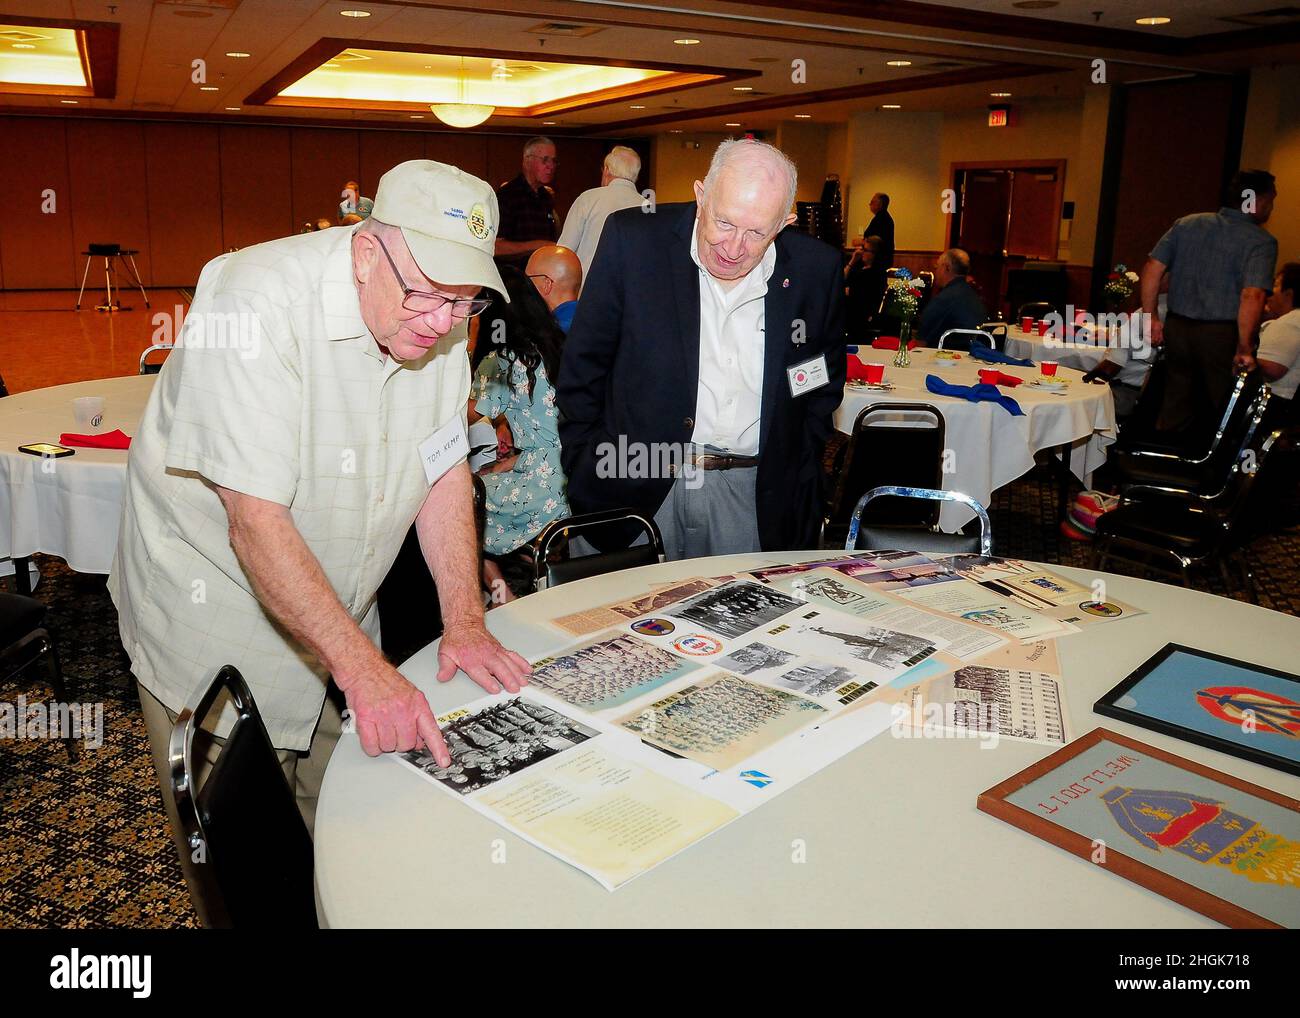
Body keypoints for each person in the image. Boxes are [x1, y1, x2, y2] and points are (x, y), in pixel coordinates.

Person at [109, 160, 532, 897]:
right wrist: (365, 672)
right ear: (366, 252)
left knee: (346, 832)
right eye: (429, 294)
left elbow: (442, 474)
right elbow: (255, 523)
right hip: (216, 615)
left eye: (464, 301)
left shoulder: (435, 315)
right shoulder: (252, 301)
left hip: (337, 602)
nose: (443, 321)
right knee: (244, 870)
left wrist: (463, 618)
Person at [557, 137, 845, 560]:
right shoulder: (633, 241)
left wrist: (798, 470)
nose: (733, 248)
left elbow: (821, 387)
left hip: (752, 497)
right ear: (700, 195)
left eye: (756, 233)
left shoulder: (815, 270)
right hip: (632, 482)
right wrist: (584, 462)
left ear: (784, 223)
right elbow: (583, 366)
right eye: (724, 223)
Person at [1140, 168, 1279, 448]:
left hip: (1178, 328)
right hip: (1221, 334)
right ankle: (1216, 473)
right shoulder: (1260, 241)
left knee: (1175, 403)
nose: (1271, 208)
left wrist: (1150, 318)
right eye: (1271, 200)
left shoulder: (1187, 224)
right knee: (1226, 408)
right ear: (1258, 200)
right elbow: (1251, 295)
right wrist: (1244, 347)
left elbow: (1153, 269)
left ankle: (1164, 466)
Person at [469, 267, 571, 599]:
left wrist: (470, 343)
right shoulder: (561, 349)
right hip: (571, 473)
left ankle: (501, 594)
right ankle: (525, 571)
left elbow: (468, 415)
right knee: (487, 476)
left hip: (539, 487)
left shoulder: (501, 360)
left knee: (458, 505)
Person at [557, 145, 643, 284]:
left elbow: (565, 250)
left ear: (607, 170)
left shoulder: (588, 199)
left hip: (587, 287)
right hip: (630, 288)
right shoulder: (648, 206)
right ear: (636, 175)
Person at [494, 136, 558, 271]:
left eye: (553, 161)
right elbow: (496, 246)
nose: (550, 166)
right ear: (527, 161)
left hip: (542, 275)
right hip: (514, 279)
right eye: (545, 160)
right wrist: (539, 246)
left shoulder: (546, 197)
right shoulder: (507, 195)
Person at [1257, 261, 1300, 426]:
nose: (1269, 293)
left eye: (1275, 285)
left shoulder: (1293, 321)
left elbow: (1273, 368)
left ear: (1289, 294)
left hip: (1275, 405)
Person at [917, 248, 986, 346]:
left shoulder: (944, 299)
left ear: (947, 268)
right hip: (976, 351)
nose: (935, 270)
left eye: (937, 266)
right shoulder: (973, 295)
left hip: (949, 355)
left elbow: (921, 340)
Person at [525, 245, 582, 332]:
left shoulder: (552, 335)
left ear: (546, 285)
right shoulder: (594, 319)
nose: (524, 286)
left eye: (528, 279)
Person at [844, 234, 887, 341]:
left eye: (865, 250)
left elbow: (859, 295)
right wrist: (852, 261)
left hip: (860, 314)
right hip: (848, 307)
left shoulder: (877, 273)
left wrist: (847, 290)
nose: (861, 252)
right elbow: (841, 279)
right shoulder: (858, 266)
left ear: (874, 254)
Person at [864, 192, 894, 269]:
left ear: (879, 205)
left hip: (878, 262)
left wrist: (862, 241)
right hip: (881, 261)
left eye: (872, 202)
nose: (869, 204)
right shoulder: (883, 218)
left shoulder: (881, 219)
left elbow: (876, 241)